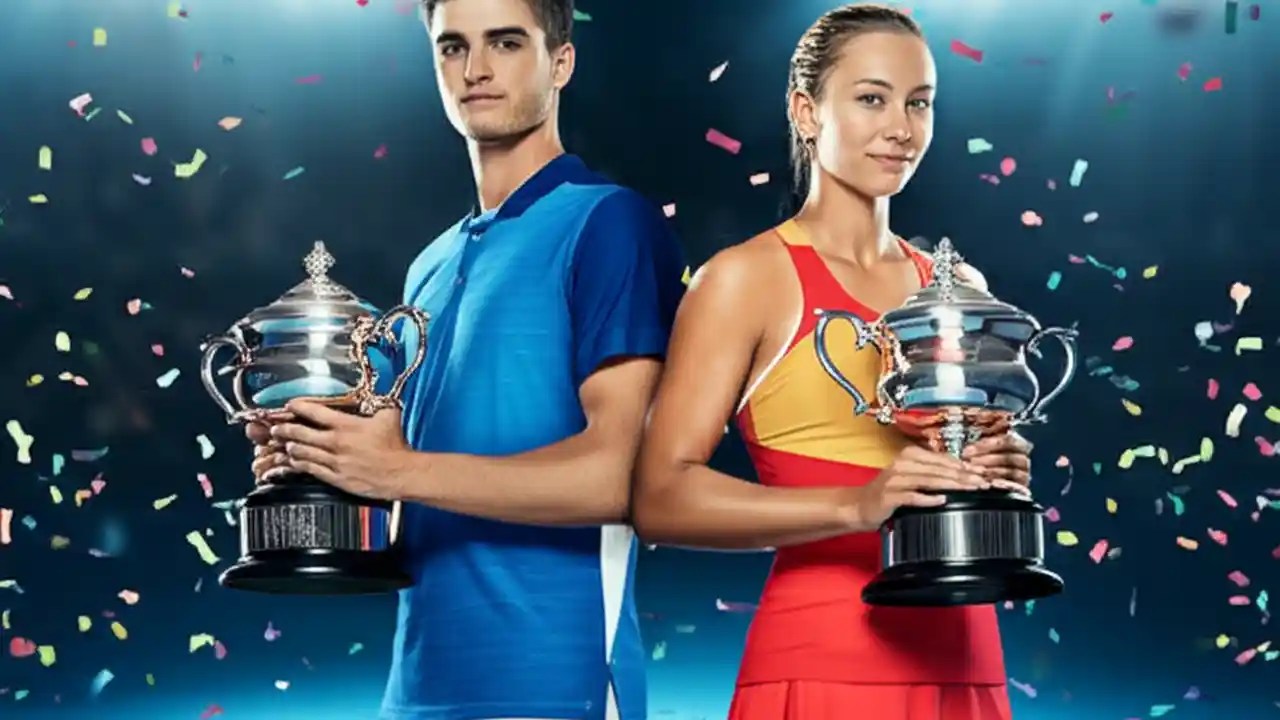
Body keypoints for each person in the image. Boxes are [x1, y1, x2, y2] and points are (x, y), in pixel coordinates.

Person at [246, 0, 685, 718]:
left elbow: (628, 476)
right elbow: (412, 485)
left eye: (505, 43)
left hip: (555, 687)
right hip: (416, 689)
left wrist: (395, 469)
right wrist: (322, 464)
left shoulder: (610, 223)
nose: (475, 68)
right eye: (453, 47)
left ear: (561, 62)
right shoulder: (429, 265)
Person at [631, 5, 1031, 720]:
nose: (901, 128)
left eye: (919, 103)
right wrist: (857, 505)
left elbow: (971, 477)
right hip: (821, 665)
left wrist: (996, 469)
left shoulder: (958, 288)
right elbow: (660, 499)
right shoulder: (745, 279)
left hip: (965, 658)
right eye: (872, 98)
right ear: (806, 112)